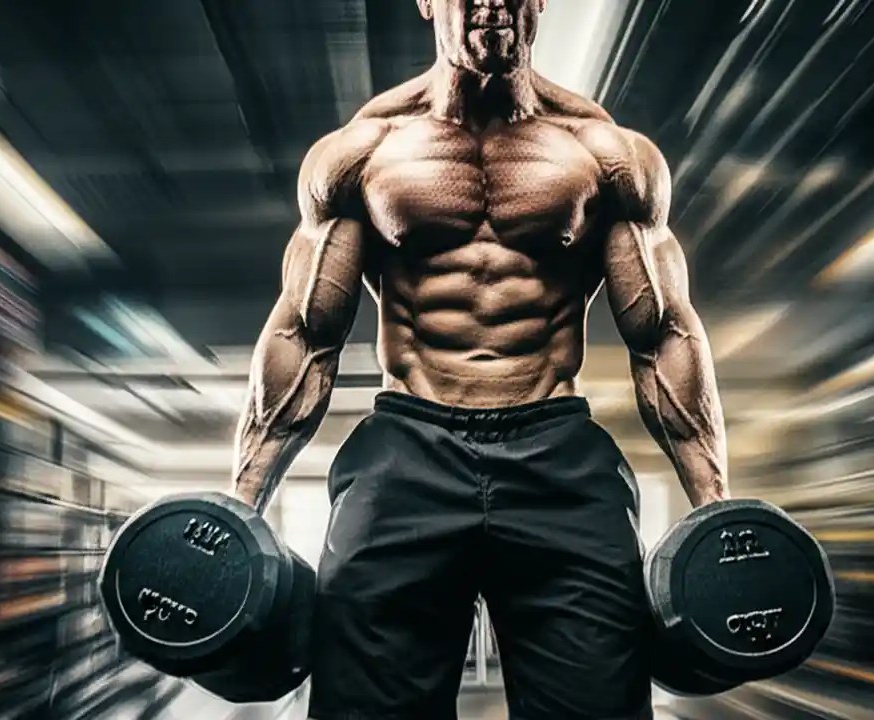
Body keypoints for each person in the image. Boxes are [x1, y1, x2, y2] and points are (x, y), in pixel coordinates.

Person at [230, 1, 728, 717]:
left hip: (555, 449)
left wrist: (717, 510)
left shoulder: (608, 154)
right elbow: (307, 333)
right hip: (407, 450)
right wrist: (240, 508)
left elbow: (664, 333)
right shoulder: (361, 151)